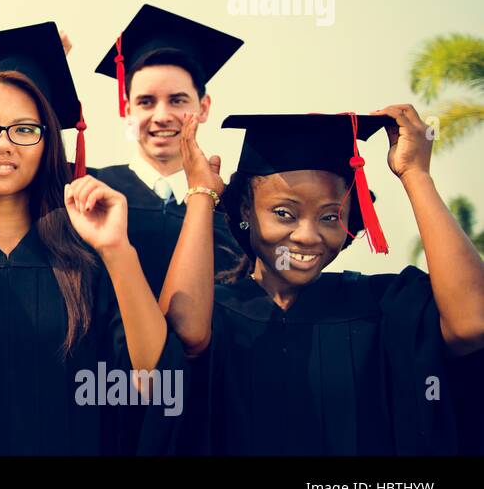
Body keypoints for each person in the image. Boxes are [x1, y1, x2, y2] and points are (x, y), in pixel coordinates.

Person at [0, 22, 185, 455]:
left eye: (25, 129)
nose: (2, 144)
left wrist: (116, 249)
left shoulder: (84, 255)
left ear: (48, 143)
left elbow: (152, 378)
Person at [162, 108, 484, 454]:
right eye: (284, 213)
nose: (307, 235)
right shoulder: (218, 312)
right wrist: (200, 194)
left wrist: (416, 174)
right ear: (244, 210)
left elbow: (472, 321)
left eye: (330, 216)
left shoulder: (380, 305)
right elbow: (181, 334)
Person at [89, 4, 245, 295]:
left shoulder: (232, 211)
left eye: (177, 100)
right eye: (146, 101)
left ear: (204, 107)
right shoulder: (93, 191)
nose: (161, 116)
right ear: (127, 109)